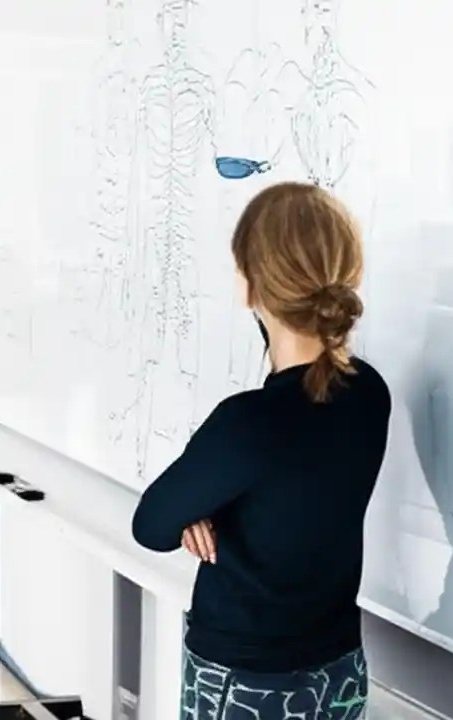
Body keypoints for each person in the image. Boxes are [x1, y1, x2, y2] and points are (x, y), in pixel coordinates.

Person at [132, 182, 390, 719]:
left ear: (252, 288)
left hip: (246, 680)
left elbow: (152, 524)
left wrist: (198, 508)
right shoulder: (370, 393)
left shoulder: (248, 423)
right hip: (339, 671)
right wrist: (207, 502)